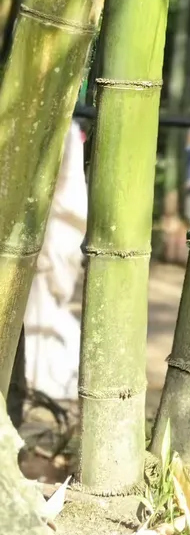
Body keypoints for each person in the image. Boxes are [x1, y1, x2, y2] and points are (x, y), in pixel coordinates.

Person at [24, 121, 88, 401]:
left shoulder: (66, 129)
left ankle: (34, 371)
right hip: (29, 213)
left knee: (43, 295)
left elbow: (68, 185)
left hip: (51, 217)